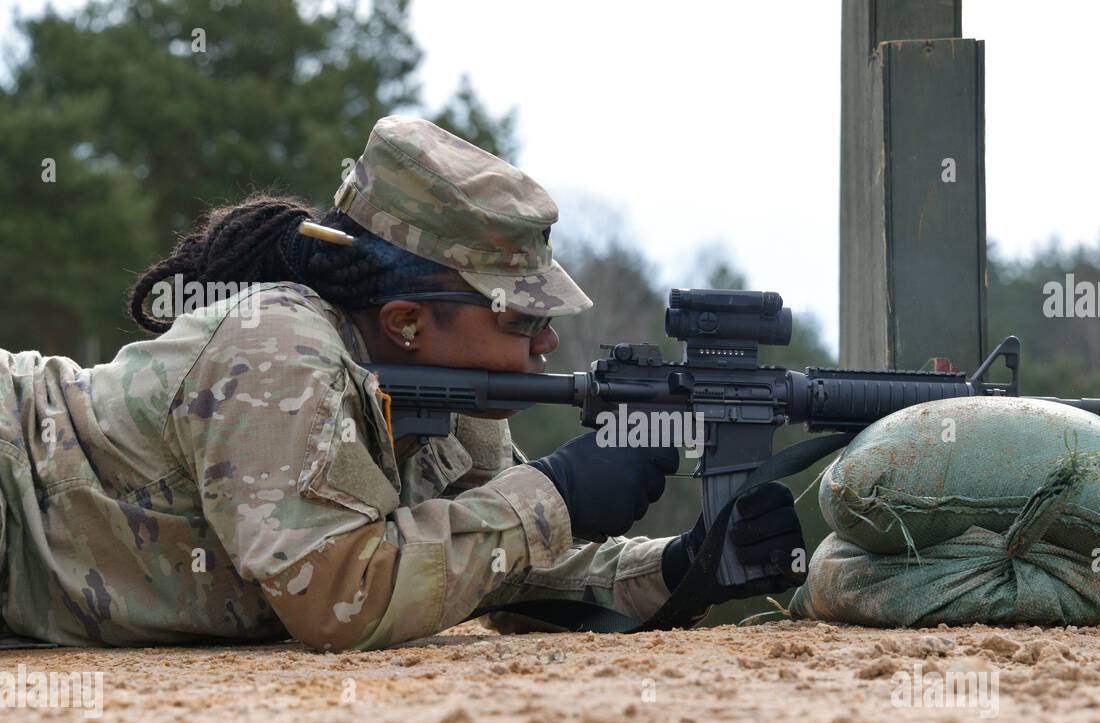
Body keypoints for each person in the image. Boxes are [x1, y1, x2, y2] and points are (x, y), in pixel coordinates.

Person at [0, 116, 805, 650]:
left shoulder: (447, 391)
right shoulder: (279, 349)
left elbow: (487, 567)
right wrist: (556, 495)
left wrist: (681, 565)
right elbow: (335, 595)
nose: (549, 340)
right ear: (410, 319)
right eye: (523, 319)